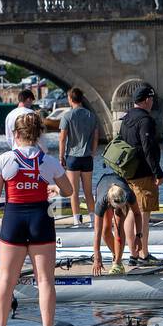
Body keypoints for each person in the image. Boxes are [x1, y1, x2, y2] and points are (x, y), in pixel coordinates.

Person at [0, 112, 73, 326]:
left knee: (6, 280)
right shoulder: (49, 161)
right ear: (39, 134)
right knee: (45, 280)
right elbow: (70, 191)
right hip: (40, 219)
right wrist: (53, 187)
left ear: (16, 134)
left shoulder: (4, 160)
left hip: (13, 219)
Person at [118, 84, 163, 267]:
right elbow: (148, 148)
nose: (152, 103)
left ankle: (133, 254)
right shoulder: (145, 120)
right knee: (144, 214)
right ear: (146, 100)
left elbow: (121, 141)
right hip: (143, 173)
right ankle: (143, 255)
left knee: (131, 212)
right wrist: (157, 171)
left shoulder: (127, 117)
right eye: (151, 99)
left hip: (128, 172)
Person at [58, 88, 98, 225]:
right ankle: (93, 220)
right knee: (88, 191)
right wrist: (92, 153)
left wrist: (61, 156)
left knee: (73, 191)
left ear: (70, 99)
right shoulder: (91, 115)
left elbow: (62, 138)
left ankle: (77, 222)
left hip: (72, 158)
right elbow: (96, 137)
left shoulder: (67, 116)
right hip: (87, 158)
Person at [91, 172, 139, 274]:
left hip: (119, 183)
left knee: (119, 225)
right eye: (118, 207)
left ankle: (117, 263)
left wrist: (139, 236)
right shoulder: (101, 203)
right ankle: (117, 257)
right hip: (103, 185)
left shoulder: (129, 194)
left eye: (123, 205)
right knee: (105, 230)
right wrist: (97, 255)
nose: (121, 209)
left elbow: (137, 214)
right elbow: (97, 232)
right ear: (110, 203)